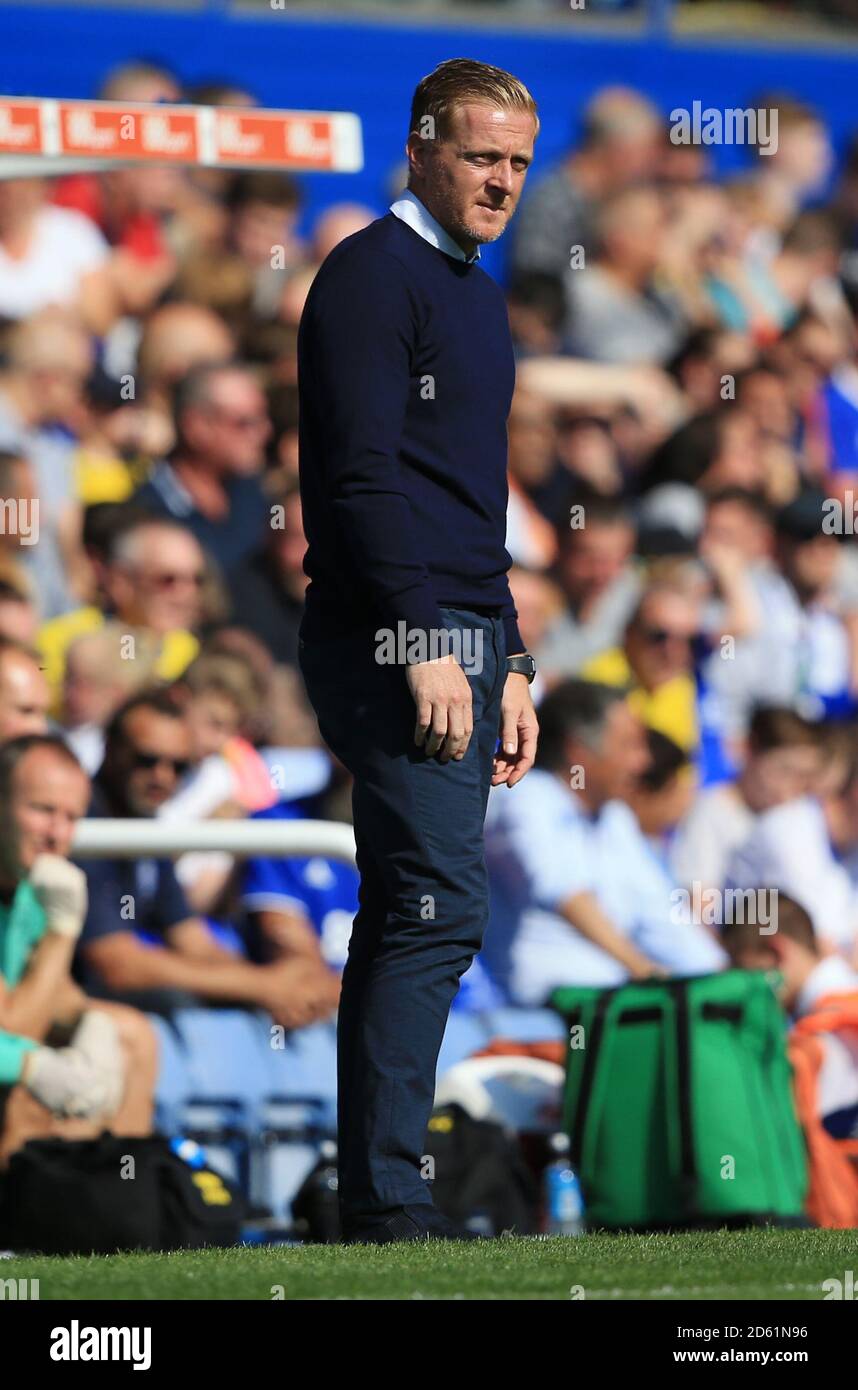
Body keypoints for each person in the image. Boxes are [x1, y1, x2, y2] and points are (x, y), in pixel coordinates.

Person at [296, 58, 540, 1244]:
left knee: (416, 905)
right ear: (421, 146)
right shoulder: (368, 278)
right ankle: (388, 1199)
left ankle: (382, 1191)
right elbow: (363, 480)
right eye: (482, 155)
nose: (503, 181)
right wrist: (422, 642)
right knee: (432, 904)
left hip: (465, 629)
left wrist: (516, 654)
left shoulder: (476, 294)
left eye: (518, 164)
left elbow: (465, 499)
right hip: (396, 635)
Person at [74, 689, 319, 1029]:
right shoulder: (81, 823)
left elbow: (193, 940)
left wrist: (284, 986)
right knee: (183, 1004)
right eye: (147, 760)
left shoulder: (144, 825)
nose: (163, 777)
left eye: (178, 766)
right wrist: (263, 987)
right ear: (111, 750)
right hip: (65, 1012)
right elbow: (117, 964)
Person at [482, 680, 725, 1007]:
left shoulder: (615, 818)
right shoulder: (523, 797)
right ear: (578, 751)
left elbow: (658, 915)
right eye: (629, 745)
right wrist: (645, 971)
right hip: (530, 1020)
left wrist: (723, 978)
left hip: (610, 1007)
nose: (643, 762)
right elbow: (564, 892)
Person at [0, 734, 156, 1164]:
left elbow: (55, 997)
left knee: (132, 1036)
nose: (58, 834)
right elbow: (13, 1030)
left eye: (71, 817)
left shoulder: (32, 887)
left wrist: (89, 1022)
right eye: (43, 810)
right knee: (23, 1099)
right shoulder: (48, 892)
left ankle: (119, 1208)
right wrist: (64, 929)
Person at [133, 363, 270, 575]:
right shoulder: (146, 510)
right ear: (197, 426)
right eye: (244, 423)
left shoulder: (257, 494)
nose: (264, 431)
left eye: (263, 418)